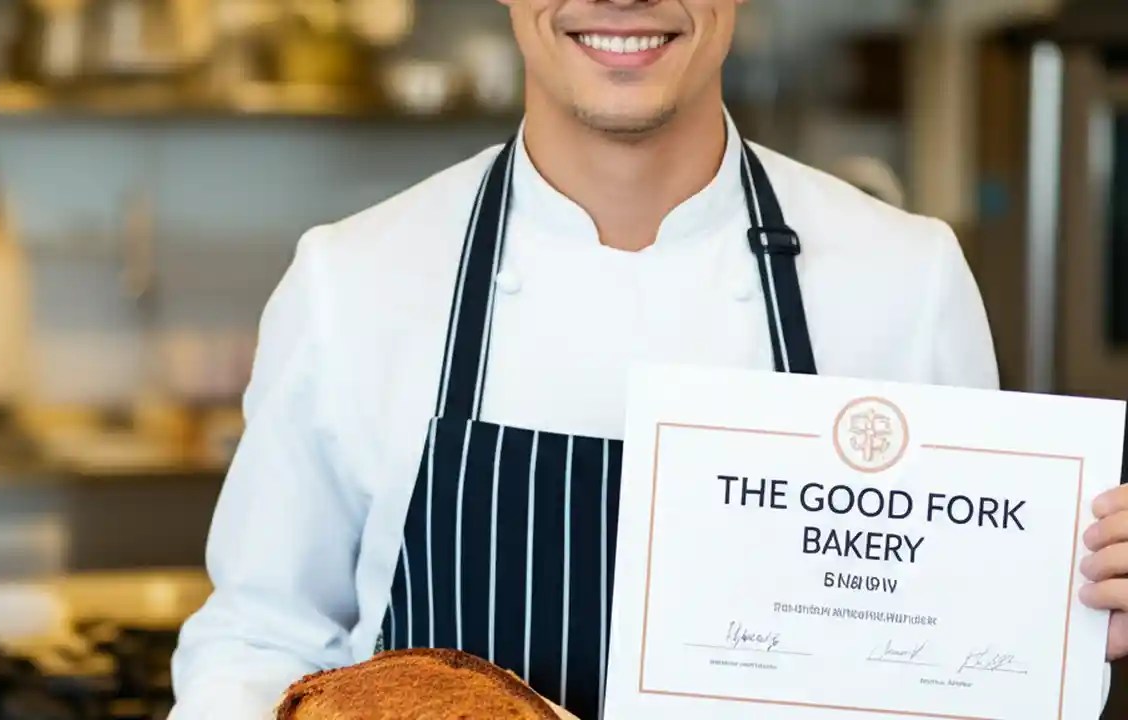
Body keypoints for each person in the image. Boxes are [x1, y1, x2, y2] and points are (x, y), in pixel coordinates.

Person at [170, 1, 1128, 718]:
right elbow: (261, 640)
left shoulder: (904, 280)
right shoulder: (353, 280)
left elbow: (967, 659)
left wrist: (1079, 608)